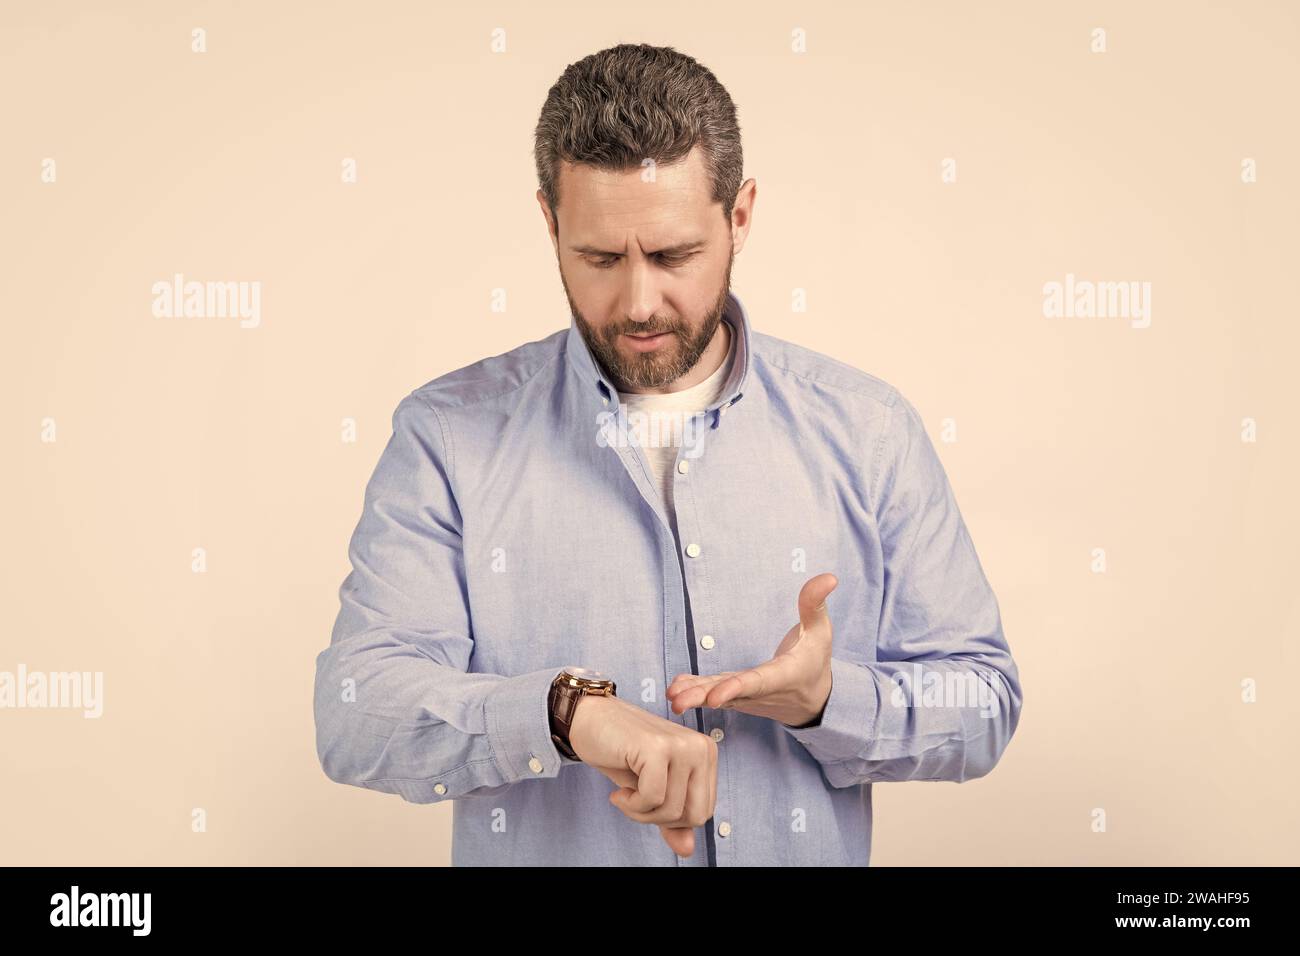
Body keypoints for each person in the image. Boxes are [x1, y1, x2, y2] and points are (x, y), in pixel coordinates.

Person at [313, 42, 1022, 866]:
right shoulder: (449, 435)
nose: (640, 301)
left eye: (674, 255)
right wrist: (562, 715)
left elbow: (983, 701)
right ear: (549, 222)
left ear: (741, 216)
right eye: (601, 258)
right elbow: (354, 711)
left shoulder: (868, 429)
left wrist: (830, 700)